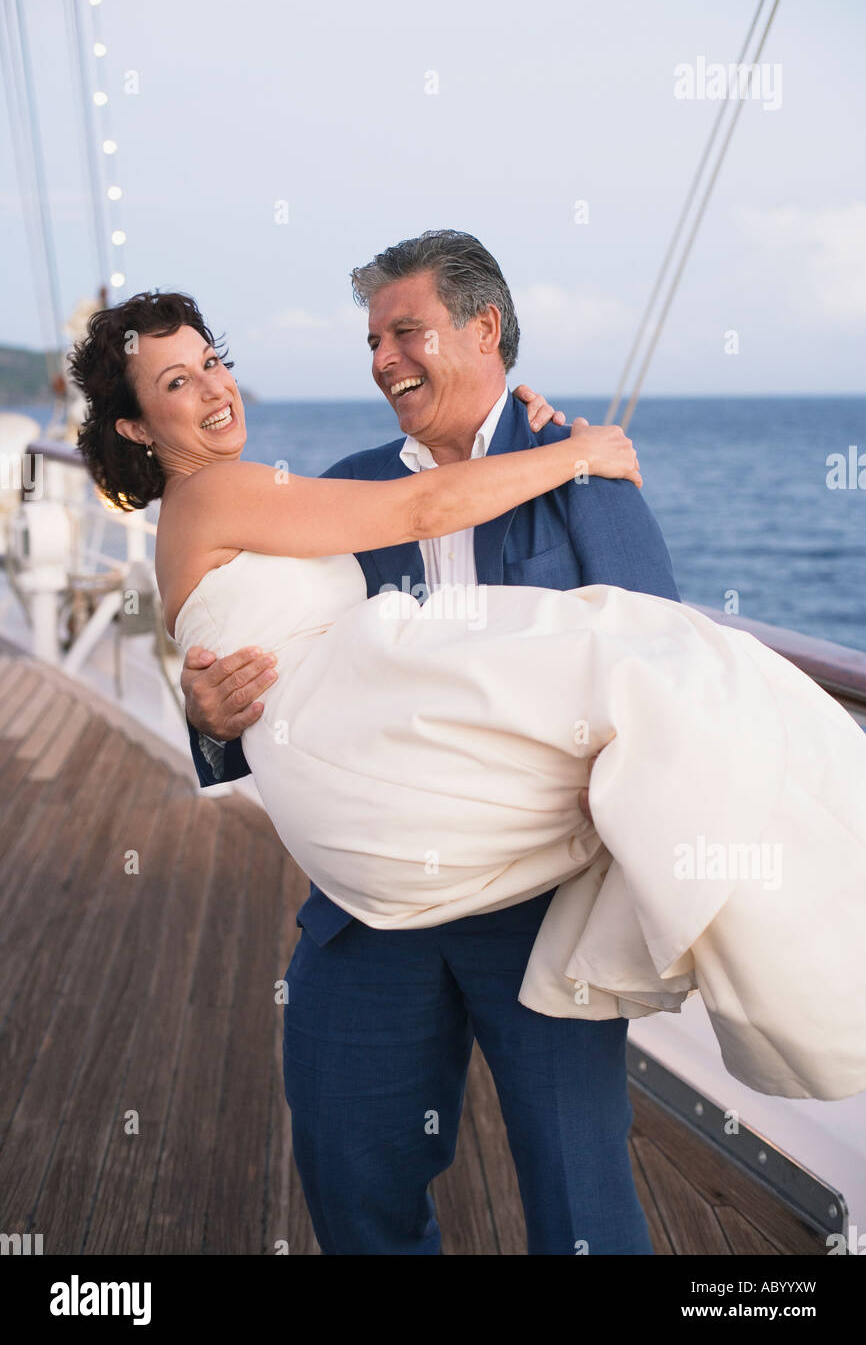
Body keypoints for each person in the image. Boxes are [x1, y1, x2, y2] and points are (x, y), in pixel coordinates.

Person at [70, 242, 866, 1260]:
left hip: (531, 906)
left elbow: (651, 647)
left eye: (405, 331)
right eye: (370, 340)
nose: (382, 358)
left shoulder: (581, 480)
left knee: (578, 1197)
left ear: (483, 329)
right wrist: (208, 707)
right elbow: (263, 625)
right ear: (139, 419)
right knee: (349, 1166)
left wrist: (581, 454)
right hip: (369, 909)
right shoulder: (344, 486)